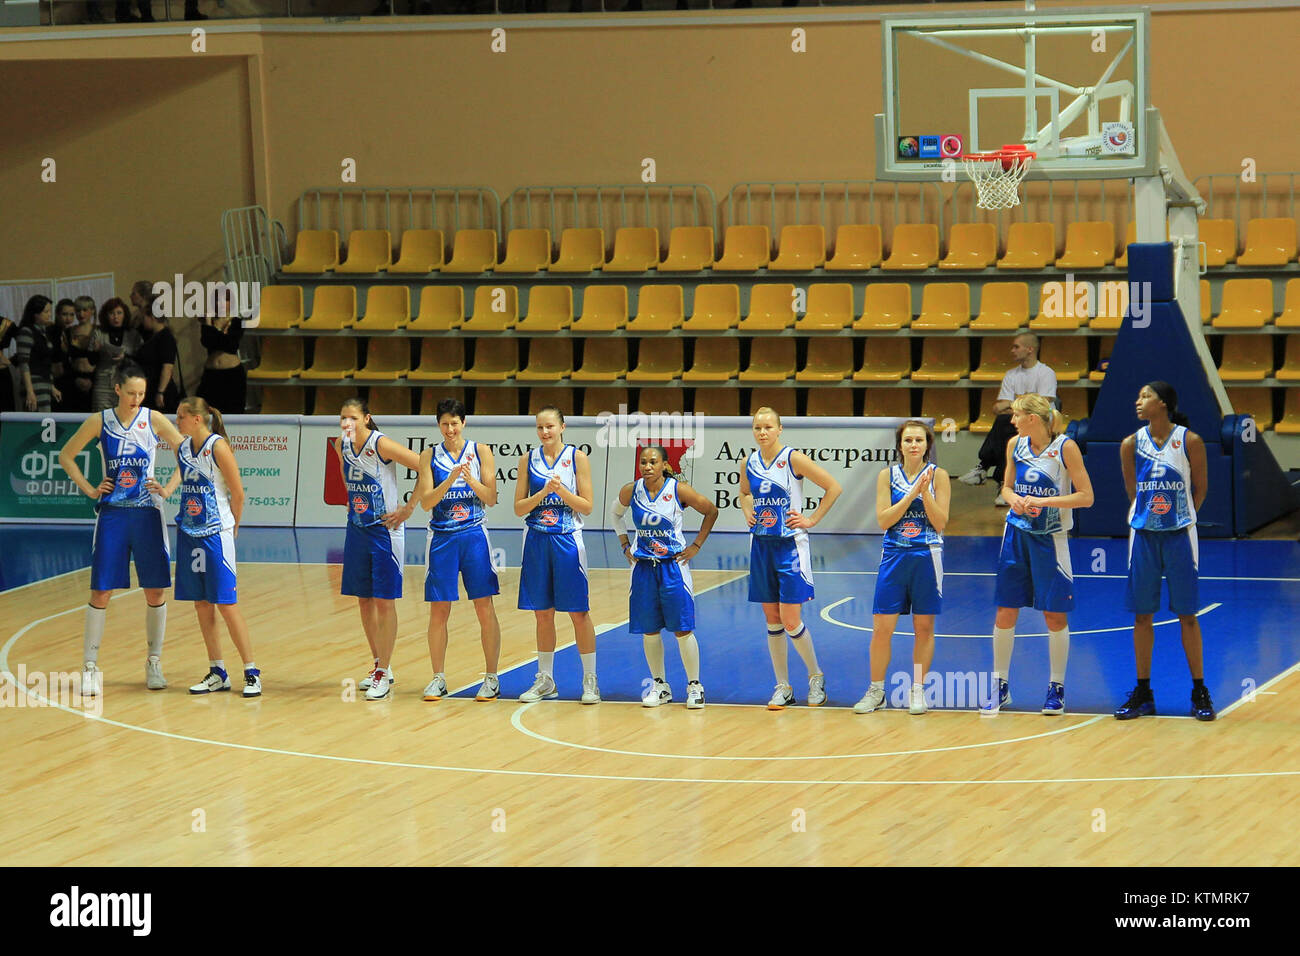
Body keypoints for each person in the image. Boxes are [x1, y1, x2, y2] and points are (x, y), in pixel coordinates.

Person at [58, 364, 188, 695]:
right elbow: (66, 456)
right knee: (101, 590)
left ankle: (154, 661)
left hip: (148, 513)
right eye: (131, 393)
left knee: (156, 591)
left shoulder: (153, 419)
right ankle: (89, 666)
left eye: (141, 394)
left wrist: (169, 488)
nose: (136, 399)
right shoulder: (100, 421)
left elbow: (188, 453)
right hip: (113, 514)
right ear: (117, 389)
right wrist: (90, 489)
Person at [982, 393, 1094, 716]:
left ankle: (1056, 687)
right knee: (1005, 611)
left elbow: (1086, 497)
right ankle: (1000, 686)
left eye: (1017, 416)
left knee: (1054, 615)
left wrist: (1045, 503)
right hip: (1016, 535)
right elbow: (1005, 487)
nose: (1012, 421)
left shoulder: (1066, 448)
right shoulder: (1014, 445)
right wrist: (1014, 498)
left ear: (1033, 418)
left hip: (1050, 539)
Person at [1115, 382, 1215, 721]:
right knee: (1142, 616)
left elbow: (1199, 489)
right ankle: (1143, 691)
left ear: (1164, 404)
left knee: (1187, 615)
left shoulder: (1190, 441)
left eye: (1145, 396)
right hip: (1143, 535)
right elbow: (1133, 491)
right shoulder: (1130, 444)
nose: (1138, 401)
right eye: (1139, 395)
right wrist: (1151, 517)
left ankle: (1199, 690)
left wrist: (1178, 516)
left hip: (1180, 535)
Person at [739, 406, 843, 710]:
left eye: (768, 427)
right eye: (758, 427)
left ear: (780, 429)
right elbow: (744, 493)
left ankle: (815, 676)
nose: (762, 432)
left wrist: (812, 519)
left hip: (790, 546)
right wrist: (747, 510)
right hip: (760, 545)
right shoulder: (749, 461)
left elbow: (833, 487)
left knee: (790, 618)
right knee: (771, 619)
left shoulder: (792, 458)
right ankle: (783, 685)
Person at [157, 397, 261, 698]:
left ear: (196, 419)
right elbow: (183, 475)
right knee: (201, 604)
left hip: (217, 532)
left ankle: (251, 670)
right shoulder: (183, 448)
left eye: (180, 417)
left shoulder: (217, 447)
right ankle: (218, 670)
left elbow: (237, 493)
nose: (176, 421)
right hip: (190, 532)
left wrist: (235, 526)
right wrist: (167, 490)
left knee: (227, 604)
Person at [611, 445, 719, 709]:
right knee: (649, 630)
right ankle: (660, 686)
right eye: (644, 462)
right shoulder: (630, 490)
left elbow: (711, 510)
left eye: (653, 462)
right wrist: (625, 544)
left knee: (682, 629)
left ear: (664, 465)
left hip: (673, 566)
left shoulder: (678, 490)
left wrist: (696, 546)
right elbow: (615, 514)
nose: (647, 466)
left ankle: (695, 686)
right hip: (644, 568)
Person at [410, 397, 502, 703]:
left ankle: (491, 677)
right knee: (439, 610)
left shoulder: (481, 451)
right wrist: (449, 479)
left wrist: (470, 479)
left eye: (454, 423)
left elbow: (491, 498)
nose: (450, 429)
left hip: (474, 535)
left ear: (464, 423)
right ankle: (438, 677)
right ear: (438, 424)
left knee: (483, 607)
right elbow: (425, 502)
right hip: (442, 539)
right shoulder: (428, 456)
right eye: (444, 423)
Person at [855, 420, 950, 715]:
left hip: (926, 553)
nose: (913, 445)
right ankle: (876, 690)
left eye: (919, 440)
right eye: (908, 440)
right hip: (894, 554)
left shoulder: (939, 476)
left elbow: (940, 522)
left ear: (927, 446)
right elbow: (883, 521)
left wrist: (925, 494)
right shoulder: (887, 476)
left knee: (923, 627)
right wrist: (911, 495)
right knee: (882, 627)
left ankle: (918, 690)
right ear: (900, 445)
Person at [332, 397, 421, 701]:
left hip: (385, 531)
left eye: (353, 417)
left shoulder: (381, 444)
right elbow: (347, 476)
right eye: (344, 417)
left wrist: (408, 508)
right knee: (364, 600)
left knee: (384, 602)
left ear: (367, 418)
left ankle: (382, 671)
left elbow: (425, 465)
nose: (348, 423)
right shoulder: (340, 445)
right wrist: (351, 500)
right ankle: (381, 664)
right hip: (357, 530)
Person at [514, 406, 598, 704]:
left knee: (578, 612)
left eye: (550, 426)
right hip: (536, 540)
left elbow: (587, 506)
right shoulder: (527, 460)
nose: (545, 432)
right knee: (542, 613)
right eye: (540, 427)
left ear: (562, 427)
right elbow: (519, 508)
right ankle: (546, 678)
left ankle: (590, 679)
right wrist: (541, 494)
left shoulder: (577, 458)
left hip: (568, 541)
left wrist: (561, 491)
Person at [958, 333, 1058, 505]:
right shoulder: (1011, 375)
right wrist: (1019, 404)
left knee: (1005, 422)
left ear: (1030, 349)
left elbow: (1041, 404)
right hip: (1017, 421)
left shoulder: (1046, 373)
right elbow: (999, 407)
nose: (1012, 350)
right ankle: (1004, 484)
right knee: (1006, 427)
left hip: (1042, 423)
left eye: (1016, 346)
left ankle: (984, 468)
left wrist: (1012, 405)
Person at [92, 298, 141, 412]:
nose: (115, 317)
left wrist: (125, 357)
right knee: (101, 417)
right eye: (111, 313)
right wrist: (95, 351)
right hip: (103, 382)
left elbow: (141, 359)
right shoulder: (99, 333)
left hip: (126, 382)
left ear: (125, 315)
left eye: (119, 313)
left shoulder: (133, 335)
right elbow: (91, 361)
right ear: (106, 316)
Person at [14, 295, 61, 413]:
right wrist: (30, 391)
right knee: (38, 421)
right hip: (34, 383)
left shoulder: (43, 333)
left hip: (45, 382)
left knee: (46, 420)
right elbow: (24, 363)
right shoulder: (27, 332)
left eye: (50, 311)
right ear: (35, 314)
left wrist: (51, 386)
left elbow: (46, 362)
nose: (49, 315)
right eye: (46, 312)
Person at [196, 304, 246, 416]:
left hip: (231, 375)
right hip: (211, 375)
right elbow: (206, 341)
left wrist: (212, 330)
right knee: (206, 411)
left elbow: (229, 344)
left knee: (232, 412)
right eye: (217, 300)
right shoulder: (209, 322)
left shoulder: (237, 322)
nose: (220, 304)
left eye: (225, 300)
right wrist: (208, 322)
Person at [135, 303, 180, 413]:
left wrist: (160, 392)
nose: (142, 321)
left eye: (144, 318)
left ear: (152, 317)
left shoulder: (166, 337)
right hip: (150, 388)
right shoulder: (152, 336)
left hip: (160, 391)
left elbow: (167, 367)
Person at [57, 298, 100, 414]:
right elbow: (64, 358)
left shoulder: (99, 331)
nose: (81, 314)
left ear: (92, 311)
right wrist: (74, 378)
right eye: (78, 310)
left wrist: (93, 380)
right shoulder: (68, 332)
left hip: (95, 380)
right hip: (73, 379)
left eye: (85, 310)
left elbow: (103, 359)